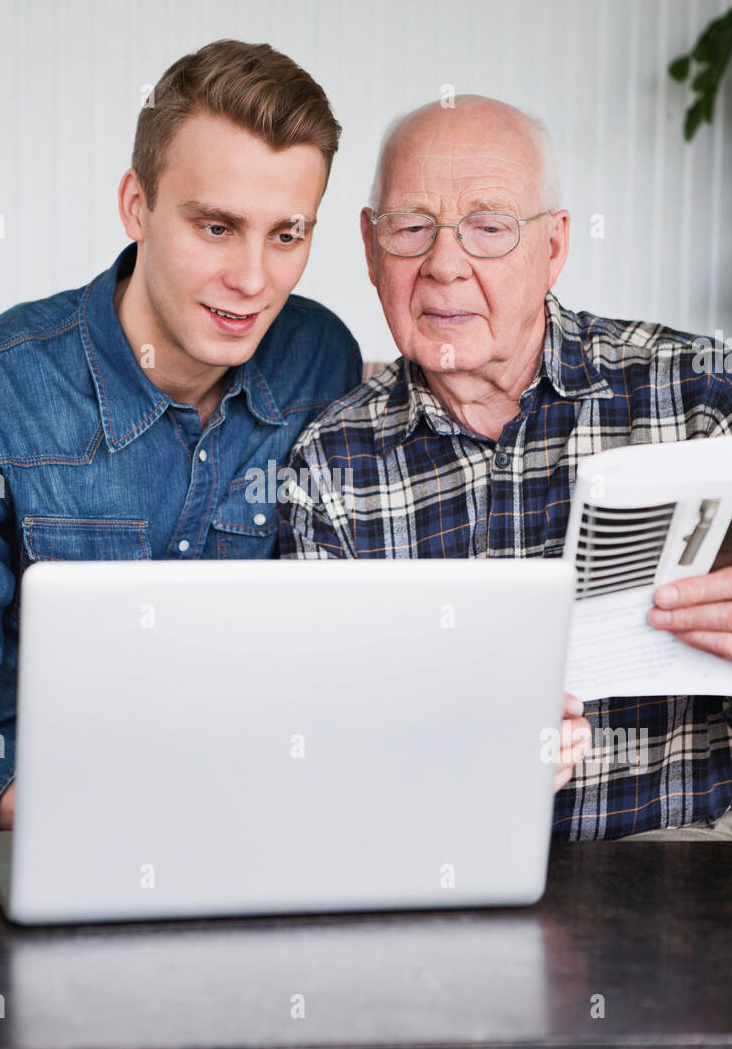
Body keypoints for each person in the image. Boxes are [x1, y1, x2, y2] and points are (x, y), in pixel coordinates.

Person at [0, 39, 362, 850]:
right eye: (216, 226)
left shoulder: (319, 363)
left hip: (238, 817)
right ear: (137, 205)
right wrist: (46, 808)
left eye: (286, 235)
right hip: (1, 831)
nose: (252, 280)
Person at [278, 94, 732, 840]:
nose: (444, 265)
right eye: (411, 227)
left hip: (688, 873)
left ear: (552, 248)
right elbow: (319, 746)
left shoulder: (699, 393)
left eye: (489, 228)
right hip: (435, 871)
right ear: (369, 246)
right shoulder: (329, 463)